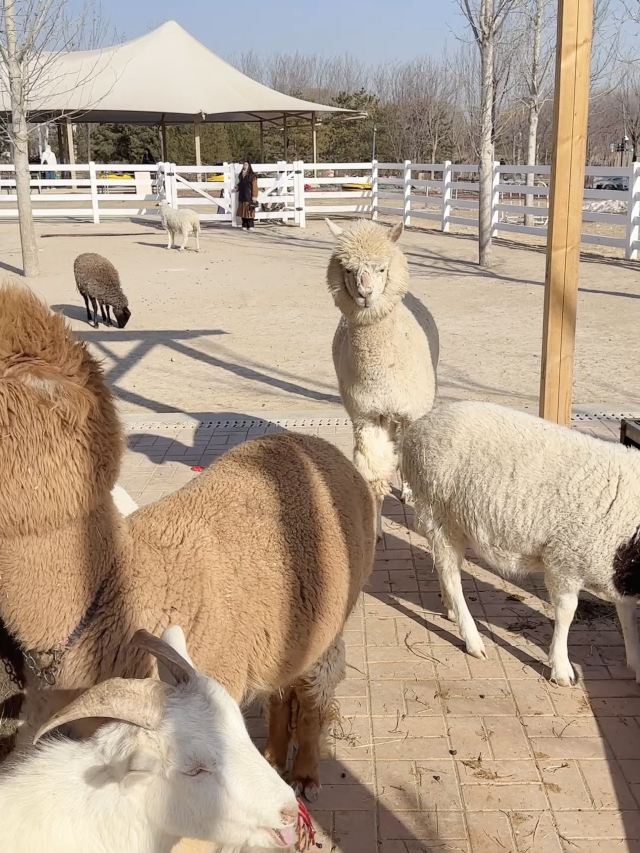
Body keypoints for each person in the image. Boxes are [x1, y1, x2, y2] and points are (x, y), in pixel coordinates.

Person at [236, 160, 258, 231]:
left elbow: (255, 186)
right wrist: (237, 187)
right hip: (242, 195)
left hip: (249, 196)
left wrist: (254, 196)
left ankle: (250, 225)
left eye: (246, 165)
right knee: (243, 211)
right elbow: (240, 184)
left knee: (249, 211)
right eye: (244, 164)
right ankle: (244, 225)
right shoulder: (241, 175)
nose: (245, 166)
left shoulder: (252, 176)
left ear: (249, 166)